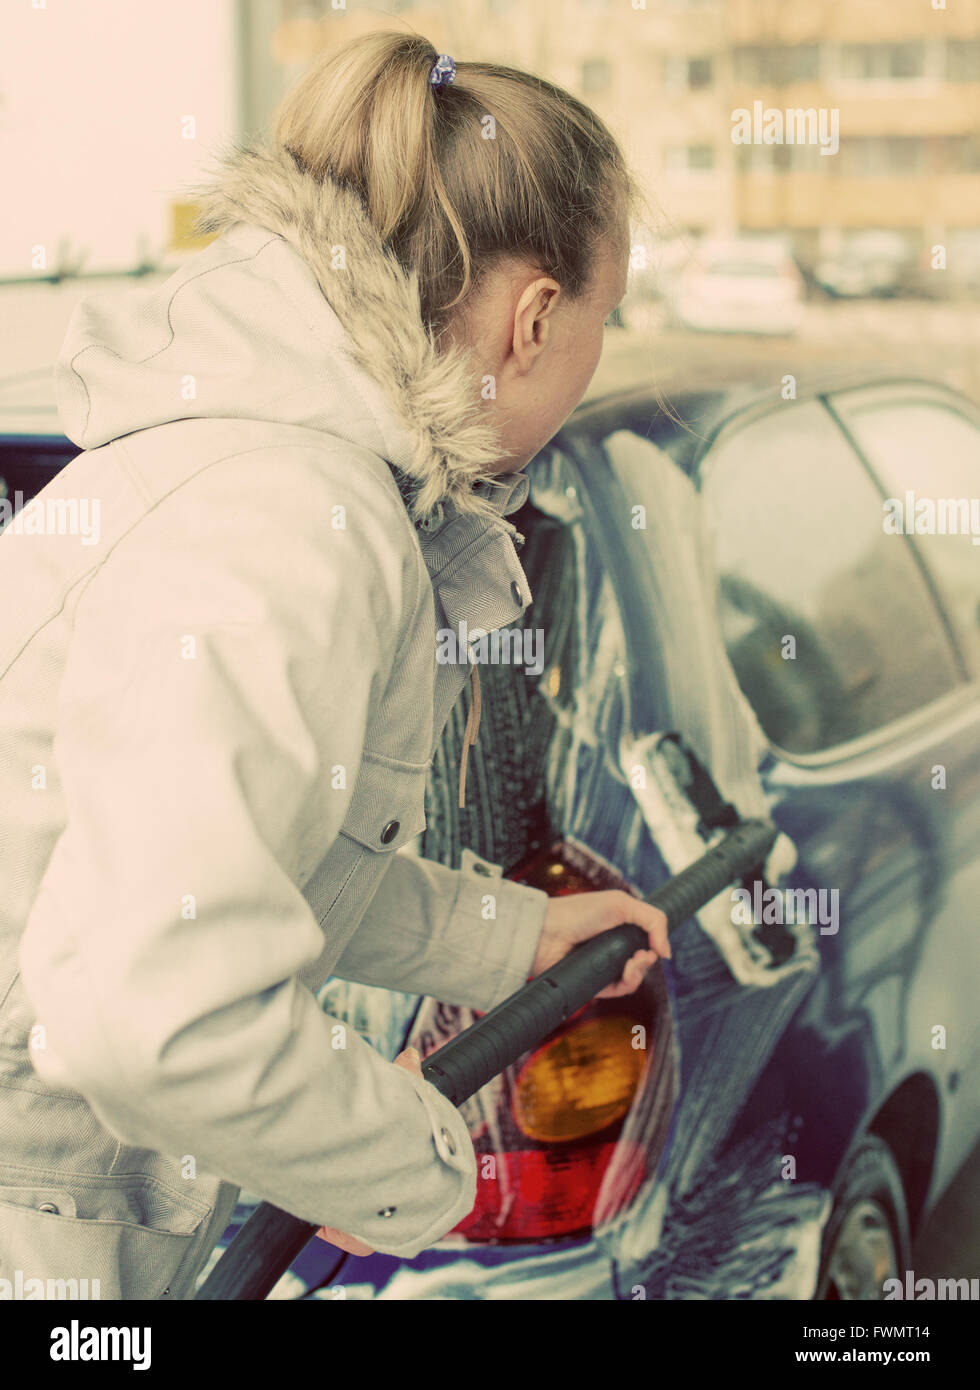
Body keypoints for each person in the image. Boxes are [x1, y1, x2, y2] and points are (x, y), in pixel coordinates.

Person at [0, 31, 668, 1300]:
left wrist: (511, 937)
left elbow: (250, 871)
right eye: (603, 317)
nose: (593, 357)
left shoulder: (278, 473)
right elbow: (155, 1011)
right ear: (533, 319)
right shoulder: (285, 518)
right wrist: (399, 1165)